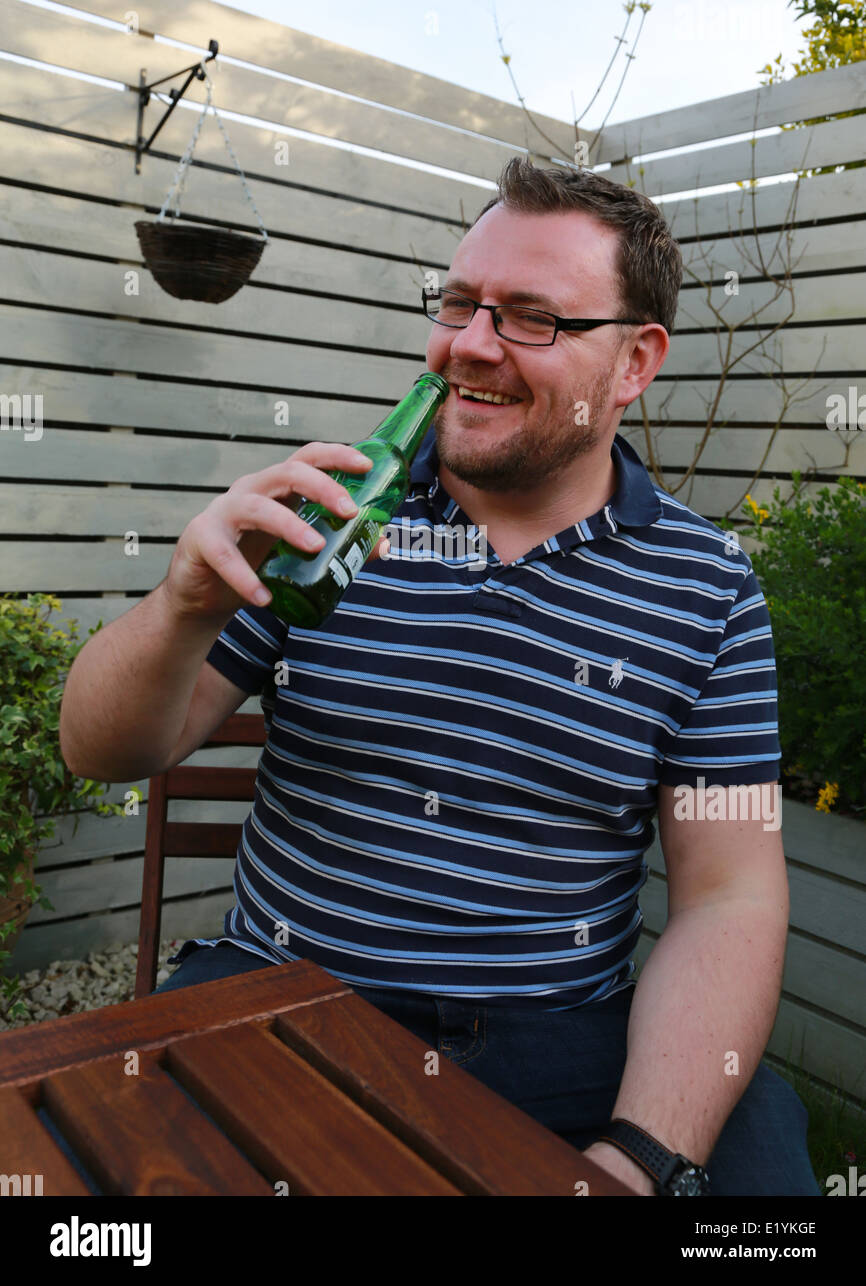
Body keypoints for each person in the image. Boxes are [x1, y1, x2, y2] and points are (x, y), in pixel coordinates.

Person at [60, 156, 819, 1197]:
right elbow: (101, 750)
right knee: (83, 1182)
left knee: (758, 1193)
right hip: (281, 1000)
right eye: (458, 302)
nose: (466, 344)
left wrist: (636, 1154)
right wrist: (182, 604)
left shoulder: (708, 587)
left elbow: (727, 894)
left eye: (528, 318)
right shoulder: (322, 517)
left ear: (635, 360)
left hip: (559, 1048)